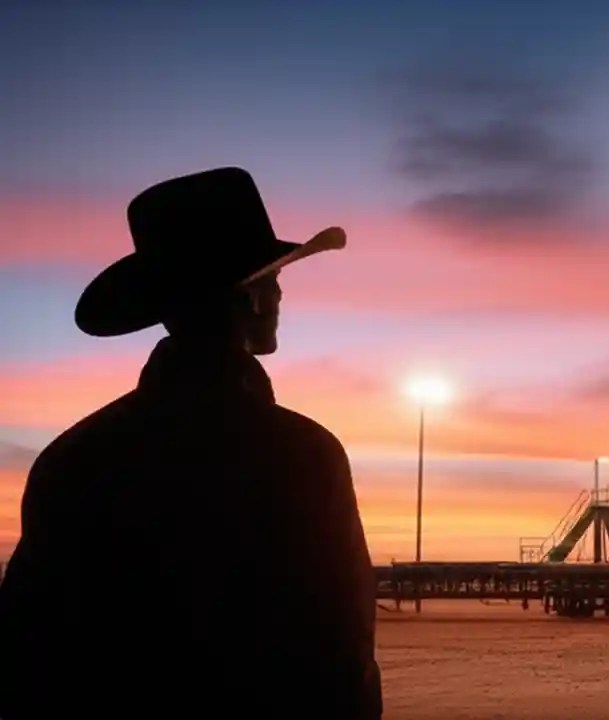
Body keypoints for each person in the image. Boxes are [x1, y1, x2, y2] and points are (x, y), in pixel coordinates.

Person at [0, 167, 382, 719]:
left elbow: (26, 648)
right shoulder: (304, 454)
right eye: (275, 278)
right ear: (251, 296)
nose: (281, 293)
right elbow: (341, 650)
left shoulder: (72, 457)